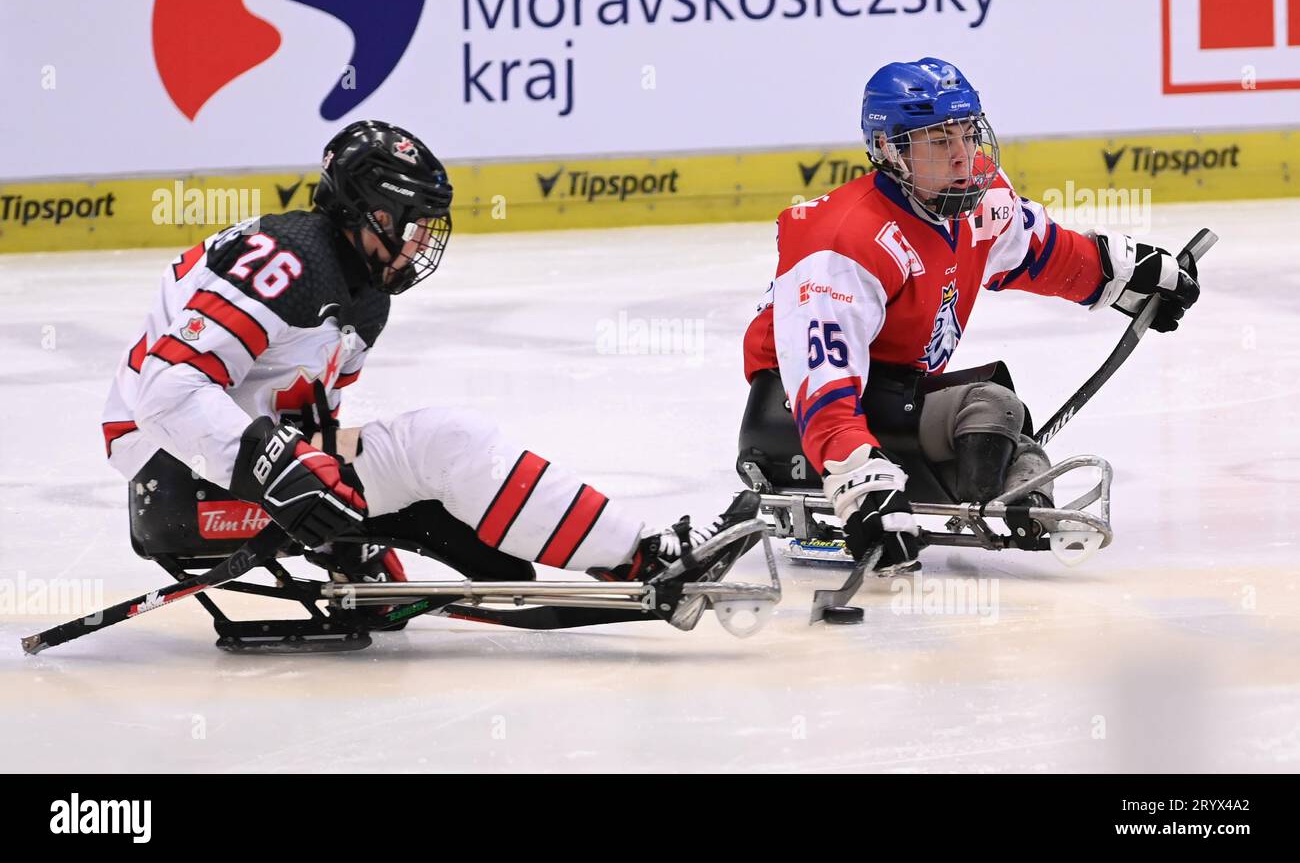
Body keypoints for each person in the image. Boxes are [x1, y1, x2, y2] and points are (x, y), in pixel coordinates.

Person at [102, 120, 758, 628]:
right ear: (369, 212)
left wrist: (356, 544)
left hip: (220, 466)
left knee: (437, 456)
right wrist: (283, 469)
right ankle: (645, 557)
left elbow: (312, 429)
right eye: (411, 221)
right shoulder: (286, 257)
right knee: (442, 443)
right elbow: (167, 388)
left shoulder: (364, 296)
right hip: (174, 485)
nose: (421, 240)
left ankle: (635, 557)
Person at [739, 57, 1199, 575]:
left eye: (968, 133)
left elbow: (1039, 254)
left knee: (1002, 427)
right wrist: (856, 478)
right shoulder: (843, 241)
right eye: (939, 141)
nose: (963, 156)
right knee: (990, 406)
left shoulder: (974, 198)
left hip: (890, 394)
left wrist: (1122, 273)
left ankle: (995, 487)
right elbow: (821, 380)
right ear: (892, 150)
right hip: (794, 416)